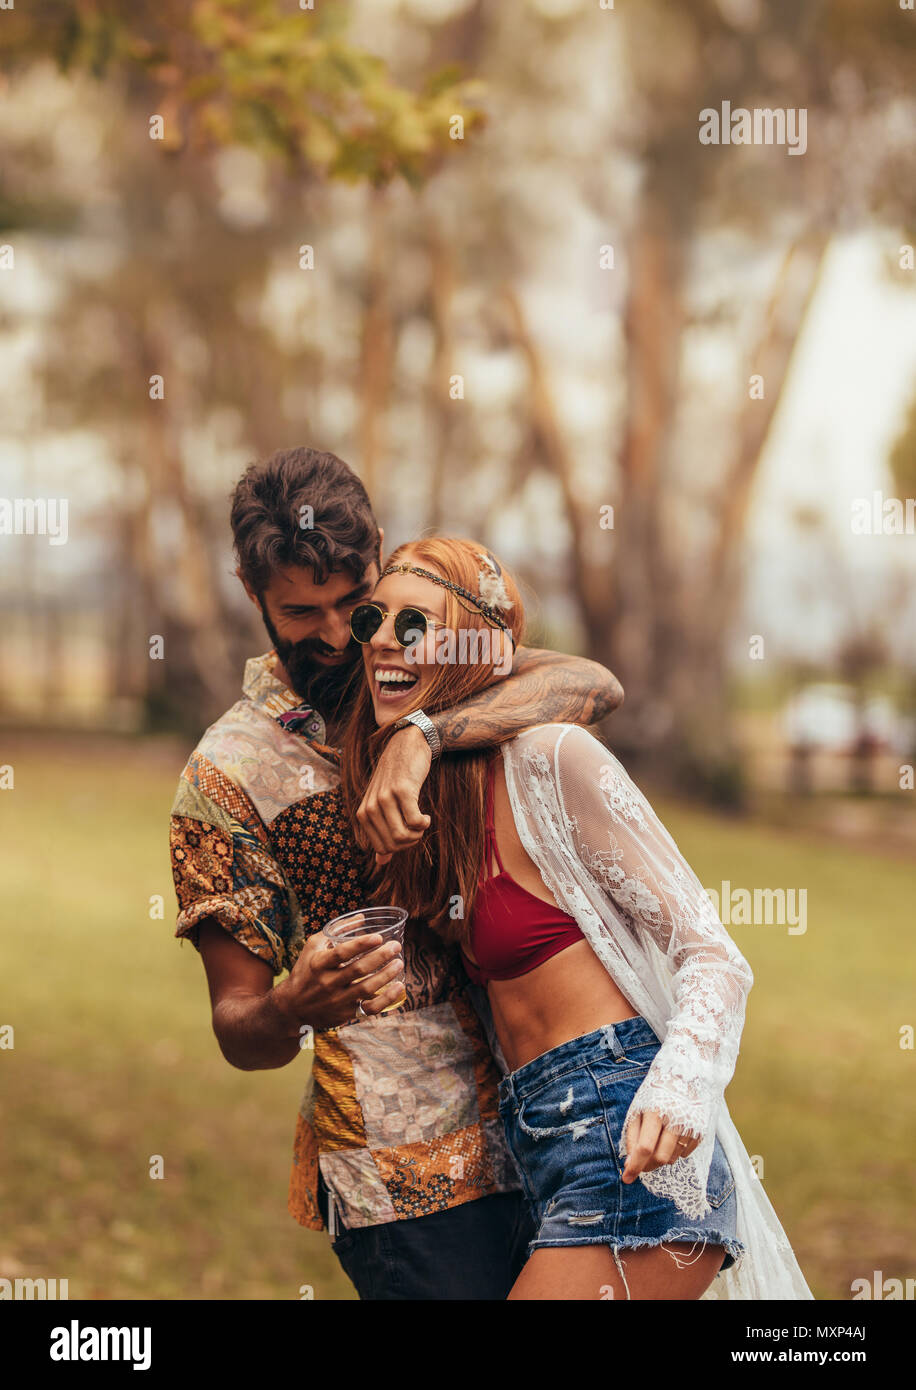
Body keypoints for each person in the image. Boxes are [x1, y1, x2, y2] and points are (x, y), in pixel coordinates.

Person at [168, 446, 625, 1300]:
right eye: (303, 612)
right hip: (405, 1186)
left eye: (356, 602)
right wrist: (291, 1006)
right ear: (248, 588)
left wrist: (425, 737)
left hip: (552, 1130)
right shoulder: (224, 776)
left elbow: (589, 683)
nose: (342, 637)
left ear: (379, 555)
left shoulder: (426, 670)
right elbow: (237, 1027)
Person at [340, 535, 814, 1300]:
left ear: (470, 647)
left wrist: (680, 1089)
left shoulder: (551, 759)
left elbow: (713, 954)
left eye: (417, 623)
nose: (385, 641)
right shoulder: (439, 806)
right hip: (543, 1155)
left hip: (632, 1155)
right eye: (373, 620)